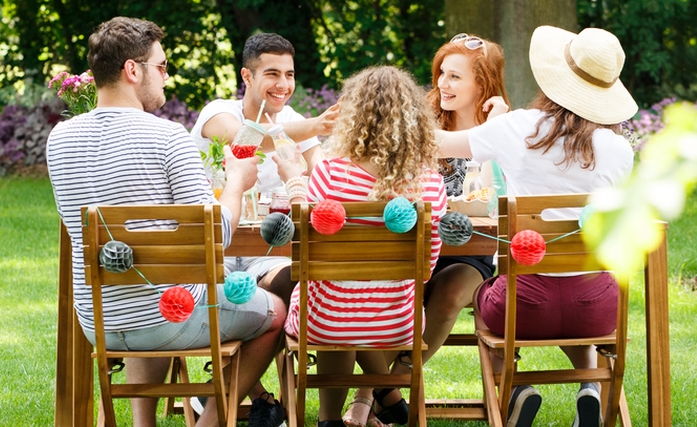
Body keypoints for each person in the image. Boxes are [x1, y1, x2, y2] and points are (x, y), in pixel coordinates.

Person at [46, 17, 294, 427]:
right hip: (170, 315)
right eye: (160, 67)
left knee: (155, 293)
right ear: (132, 70)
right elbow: (214, 235)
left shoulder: (60, 139)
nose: (166, 76)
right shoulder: (167, 137)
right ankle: (209, 423)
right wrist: (235, 183)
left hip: (98, 321)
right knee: (276, 312)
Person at [435, 26, 638, 427]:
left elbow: (439, 143)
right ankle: (591, 389)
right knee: (572, 291)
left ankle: (514, 390)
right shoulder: (620, 150)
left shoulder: (518, 127)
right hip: (597, 310)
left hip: (523, 308)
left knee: (484, 294)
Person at [283, 66, 446, 427]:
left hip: (323, 322)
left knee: (332, 298)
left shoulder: (329, 173)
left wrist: (293, 178)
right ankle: (386, 394)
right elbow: (427, 268)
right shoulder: (430, 184)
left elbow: (307, 241)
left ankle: (328, 419)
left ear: (354, 115)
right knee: (359, 303)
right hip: (397, 323)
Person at [362, 33, 512, 425]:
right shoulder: (422, 121)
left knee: (449, 295)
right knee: (375, 300)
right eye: (441, 74)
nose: (443, 84)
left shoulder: (506, 128)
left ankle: (385, 388)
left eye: (455, 77)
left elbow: (502, 197)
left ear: (483, 83)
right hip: (412, 246)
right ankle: (383, 395)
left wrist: (498, 131)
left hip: (469, 251)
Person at [191, 32, 338, 299]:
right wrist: (316, 125)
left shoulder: (295, 121)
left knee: (295, 281)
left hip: (269, 251)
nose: (283, 84)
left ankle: (267, 309)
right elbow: (246, 140)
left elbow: (325, 179)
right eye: (272, 74)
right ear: (247, 76)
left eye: (289, 74)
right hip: (216, 250)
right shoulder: (218, 112)